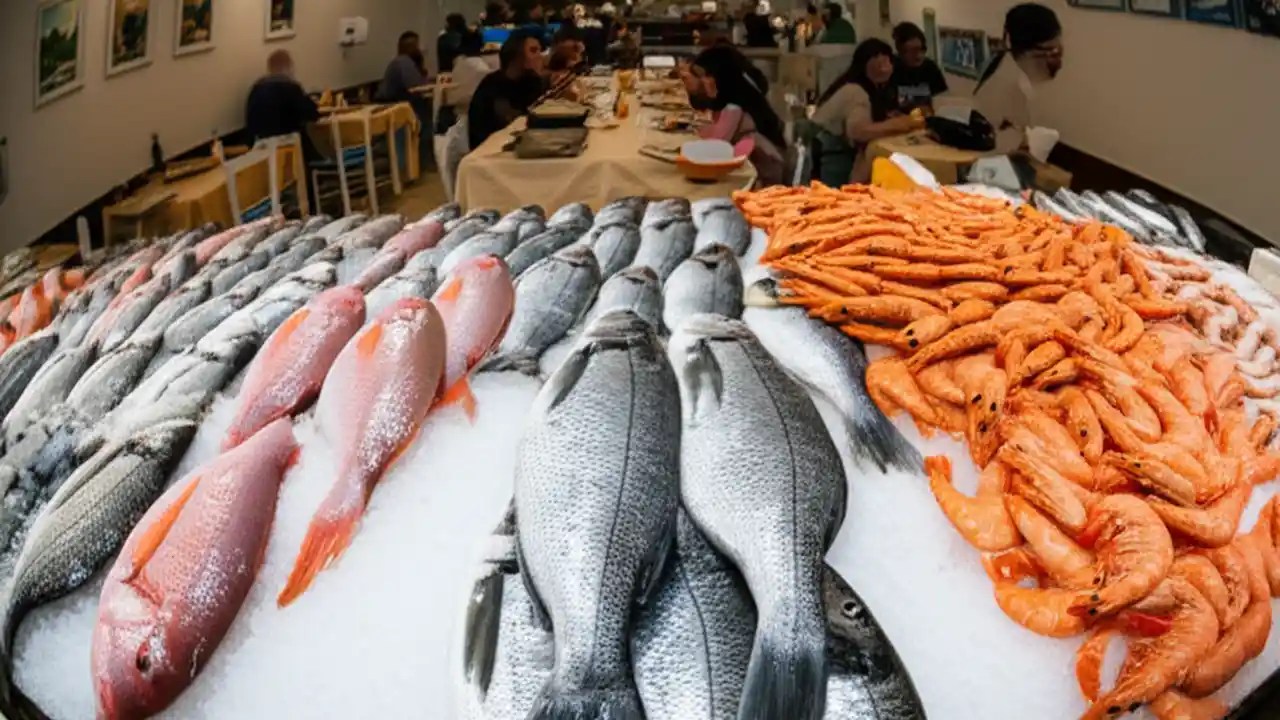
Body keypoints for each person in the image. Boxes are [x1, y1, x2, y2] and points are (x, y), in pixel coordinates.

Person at [810, 38, 917, 185]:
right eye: (880, 62)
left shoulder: (864, 87)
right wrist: (899, 125)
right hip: (831, 159)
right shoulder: (856, 92)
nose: (886, 67)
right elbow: (859, 131)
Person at [689, 45, 787, 186]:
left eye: (707, 75)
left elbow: (717, 144)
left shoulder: (734, 108)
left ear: (721, 77)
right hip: (757, 168)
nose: (703, 82)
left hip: (764, 176)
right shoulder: (740, 97)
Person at [973, 3, 1063, 154]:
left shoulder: (1002, 63)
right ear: (1030, 51)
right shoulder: (1010, 86)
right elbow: (1003, 149)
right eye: (1051, 50)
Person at [467, 30, 546, 150]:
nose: (540, 56)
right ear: (516, 56)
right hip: (492, 152)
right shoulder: (491, 87)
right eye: (533, 51)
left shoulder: (533, 82)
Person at [245, 50, 319, 154]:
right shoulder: (291, 87)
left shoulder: (255, 90)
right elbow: (312, 114)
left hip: (260, 151)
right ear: (288, 67)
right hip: (287, 149)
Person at [891, 21, 947, 111]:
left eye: (921, 49)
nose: (918, 55)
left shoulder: (930, 68)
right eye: (913, 51)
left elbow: (941, 99)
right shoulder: (891, 69)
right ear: (901, 51)